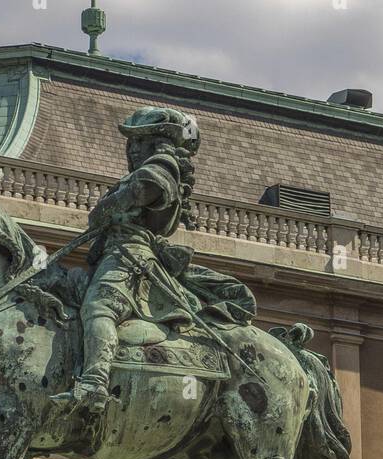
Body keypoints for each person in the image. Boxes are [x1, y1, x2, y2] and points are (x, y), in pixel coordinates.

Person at [51, 105, 255, 414]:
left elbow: (136, 194)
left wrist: (108, 208)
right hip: (112, 253)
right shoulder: (145, 171)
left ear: (156, 141)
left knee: (99, 307)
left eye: (138, 140)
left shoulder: (161, 167)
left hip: (131, 257)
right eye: (130, 142)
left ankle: (94, 384)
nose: (131, 148)